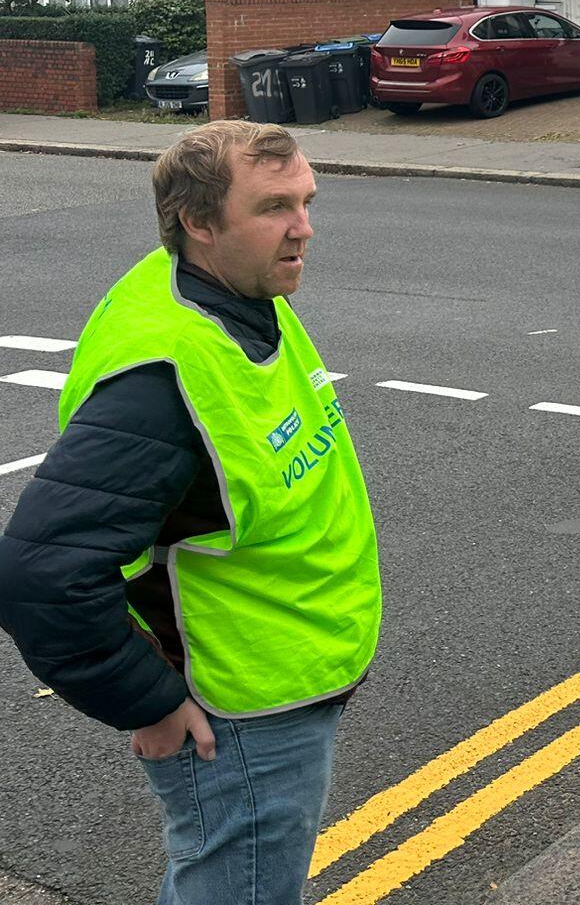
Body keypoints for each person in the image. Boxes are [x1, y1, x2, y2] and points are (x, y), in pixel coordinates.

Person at [0, 121, 381, 905]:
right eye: (275, 207)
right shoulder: (166, 377)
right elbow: (41, 574)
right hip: (239, 722)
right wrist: (149, 699)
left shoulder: (235, 287)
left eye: (306, 202)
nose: (304, 228)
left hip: (279, 691)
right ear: (200, 224)